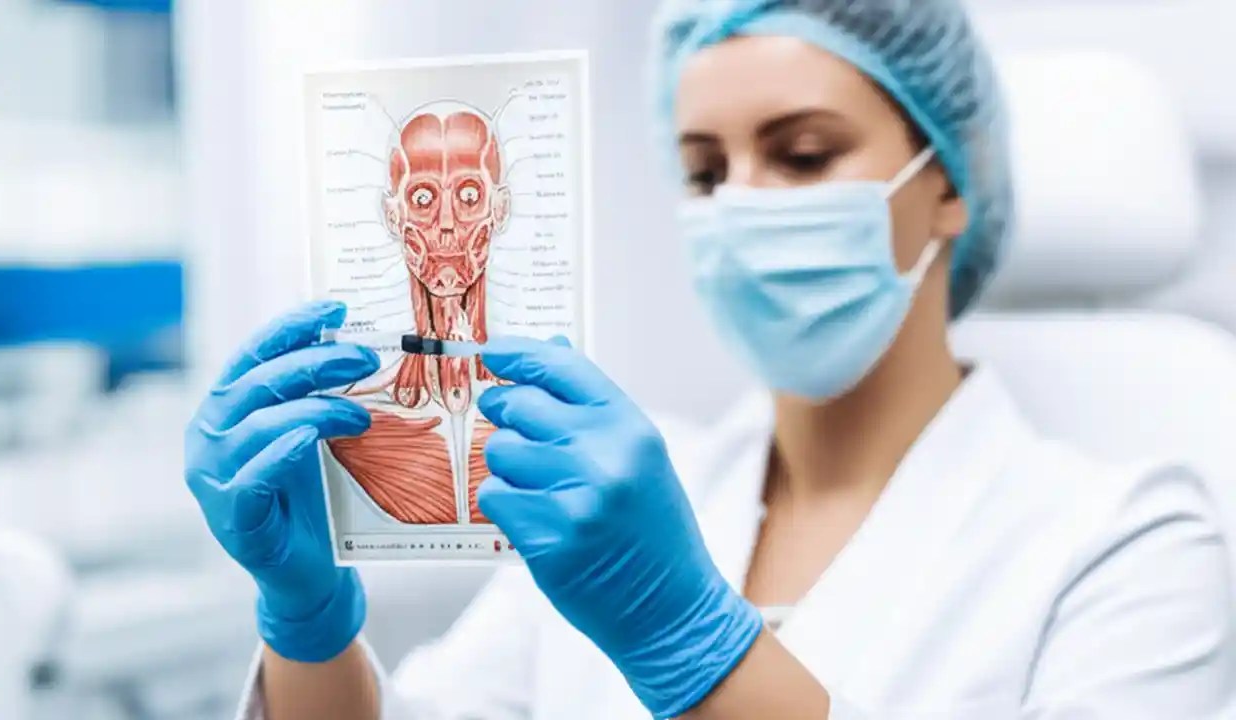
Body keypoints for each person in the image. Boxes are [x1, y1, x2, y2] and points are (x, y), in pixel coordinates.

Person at [185, 1, 1236, 718]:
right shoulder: (608, 500)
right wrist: (310, 623)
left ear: (946, 179)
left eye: (802, 154)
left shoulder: (1125, 543)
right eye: (701, 170)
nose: (739, 204)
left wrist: (690, 643)